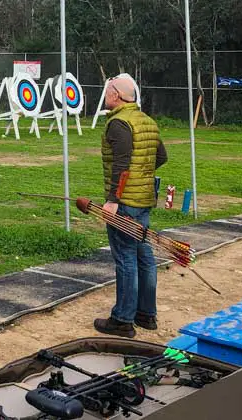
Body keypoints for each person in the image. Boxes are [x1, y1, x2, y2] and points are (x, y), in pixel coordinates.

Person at [93, 75, 167, 339]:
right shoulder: (147, 121)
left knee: (126, 257)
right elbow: (161, 156)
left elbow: (121, 164)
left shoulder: (119, 123)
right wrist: (141, 176)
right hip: (144, 198)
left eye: (107, 93)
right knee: (143, 255)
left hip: (125, 203)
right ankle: (146, 314)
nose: (105, 97)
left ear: (115, 95)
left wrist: (113, 200)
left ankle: (123, 319)